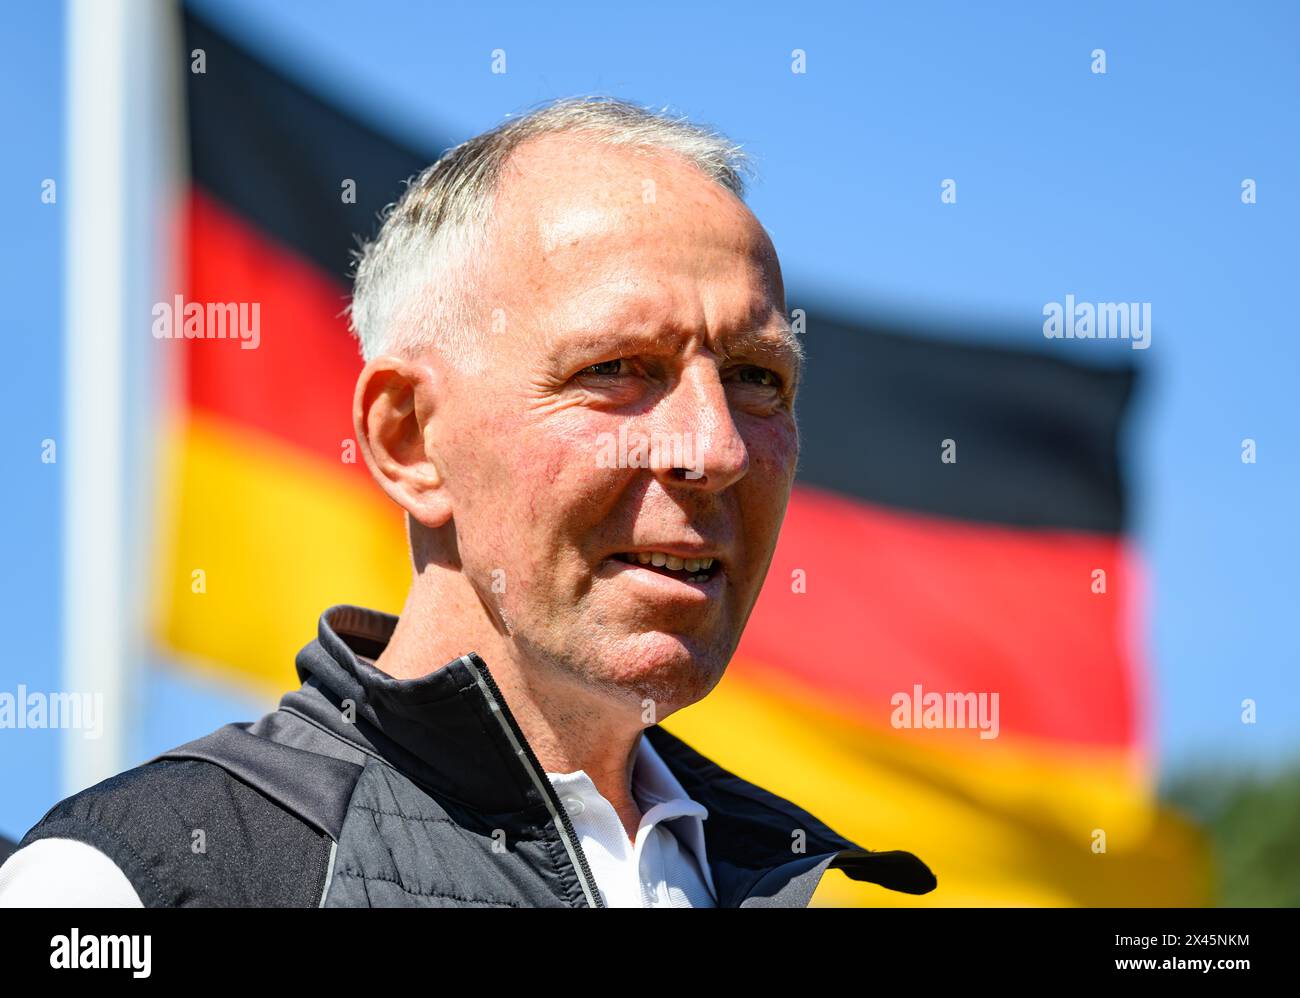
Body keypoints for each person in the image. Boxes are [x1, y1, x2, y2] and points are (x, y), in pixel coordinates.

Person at [0, 96, 935, 907]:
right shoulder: (137, 881)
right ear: (409, 438)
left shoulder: (780, 877)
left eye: (757, 377)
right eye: (616, 370)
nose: (717, 449)